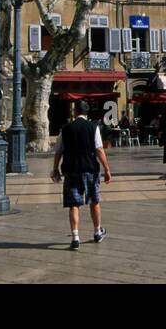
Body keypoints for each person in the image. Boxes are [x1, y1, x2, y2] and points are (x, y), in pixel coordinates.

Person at [51, 99, 112, 250]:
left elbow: (59, 151)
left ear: (74, 112)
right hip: (90, 169)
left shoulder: (65, 129)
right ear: (86, 112)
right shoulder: (93, 127)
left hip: (71, 170)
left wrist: (55, 168)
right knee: (94, 201)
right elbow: (99, 149)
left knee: (74, 204)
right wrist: (107, 169)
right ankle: (97, 232)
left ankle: (75, 237)